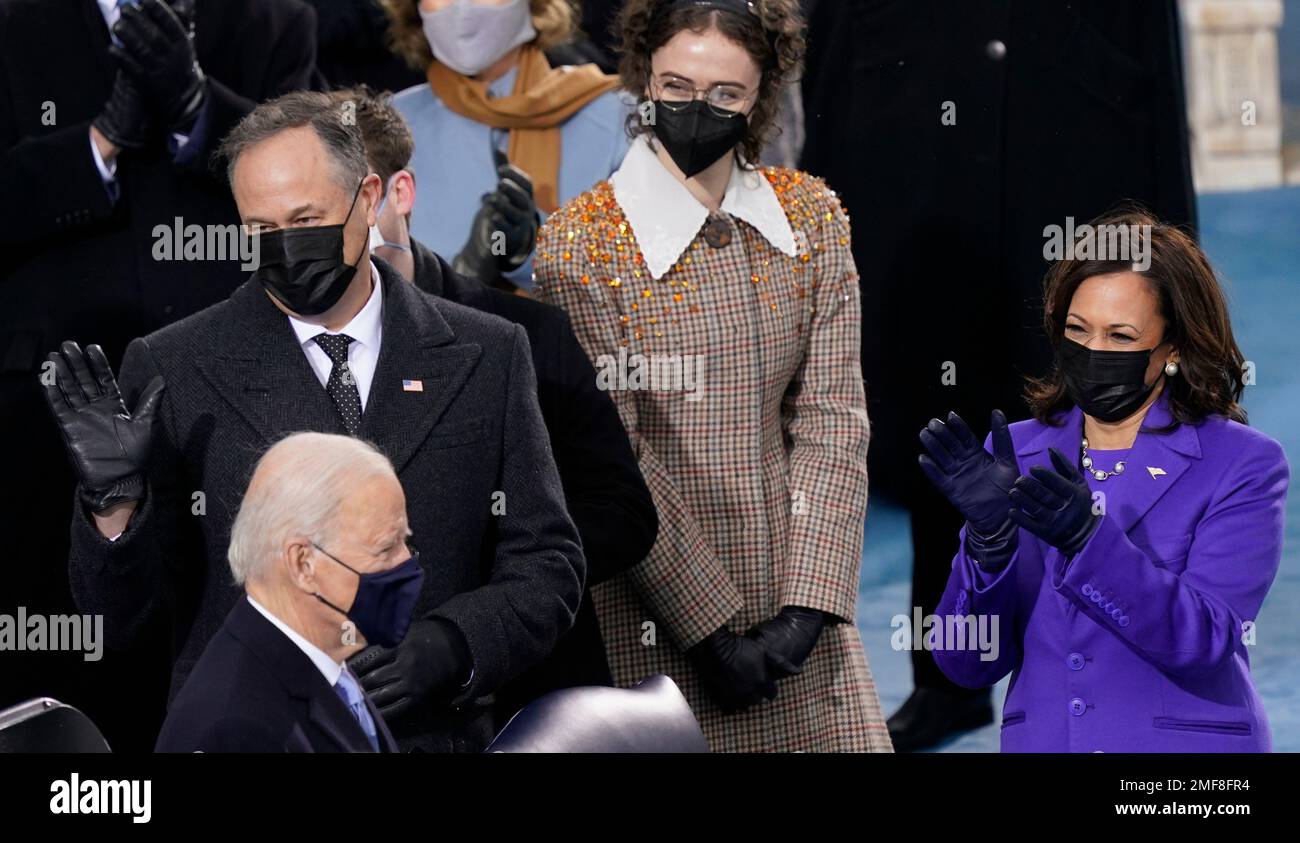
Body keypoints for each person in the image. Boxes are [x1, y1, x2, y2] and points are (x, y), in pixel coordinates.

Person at [43, 90, 585, 753]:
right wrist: (113, 508)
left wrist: (453, 644)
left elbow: (550, 564)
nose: (286, 247)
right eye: (261, 229)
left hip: (432, 736)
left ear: (368, 197)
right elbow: (117, 623)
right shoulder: (173, 366)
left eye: (305, 217)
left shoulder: (490, 353)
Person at [799, 0, 1199, 751]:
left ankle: (1118, 669)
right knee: (936, 422)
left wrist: (1175, 253)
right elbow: (830, 56)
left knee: (1100, 419)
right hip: (909, 155)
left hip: (1079, 160)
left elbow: (1155, 69)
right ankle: (949, 680)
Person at [535, 0, 891, 752]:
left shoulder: (815, 217)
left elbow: (834, 418)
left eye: (726, 93)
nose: (698, 108)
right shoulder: (579, 246)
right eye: (675, 85)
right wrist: (710, 636)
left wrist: (808, 610)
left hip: (801, 611)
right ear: (643, 81)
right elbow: (618, 455)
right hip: (658, 616)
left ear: (762, 95)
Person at [0, 0, 319, 752]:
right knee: (62, 661)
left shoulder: (272, 22)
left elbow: (317, 184)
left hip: (233, 395)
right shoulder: (13, 26)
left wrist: (203, 110)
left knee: (227, 641)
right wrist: (96, 143)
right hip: (40, 419)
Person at [328, 85, 659, 715]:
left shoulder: (530, 338)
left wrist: (489, 588)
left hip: (525, 701)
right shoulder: (263, 349)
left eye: (353, 203)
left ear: (398, 194)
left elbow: (624, 515)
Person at [922, 209, 1288, 752]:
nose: (1093, 352)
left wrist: (1087, 543)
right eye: (1077, 330)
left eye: (1121, 336)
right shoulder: (1014, 453)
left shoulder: (1241, 462)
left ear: (1175, 348)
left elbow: (1206, 642)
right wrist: (988, 549)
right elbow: (964, 665)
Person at [157, 433, 409, 753]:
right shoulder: (236, 732)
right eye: (385, 546)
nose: (405, 562)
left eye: (404, 541)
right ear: (304, 564)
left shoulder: (324, 665)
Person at [380, 0, 629, 291]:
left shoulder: (621, 119)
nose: (462, 8)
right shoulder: (386, 125)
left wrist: (529, 253)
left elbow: (648, 283)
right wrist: (462, 281)